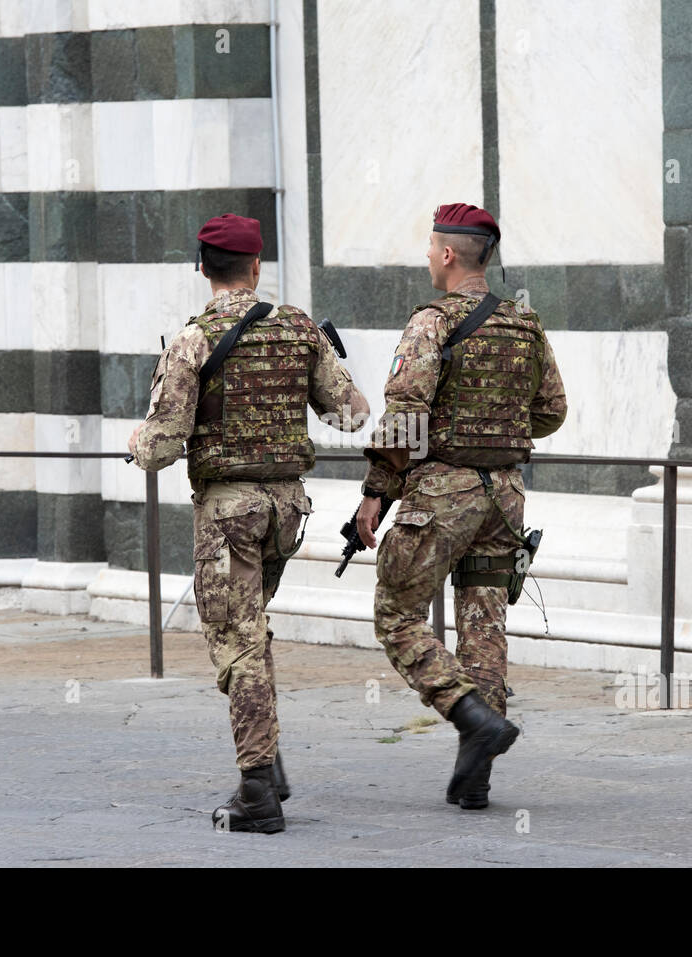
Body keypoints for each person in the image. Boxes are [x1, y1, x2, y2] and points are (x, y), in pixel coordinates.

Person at [129, 213, 369, 833]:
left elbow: (158, 450)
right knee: (250, 634)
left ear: (202, 267)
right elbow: (351, 416)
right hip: (286, 511)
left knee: (236, 640)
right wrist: (328, 356)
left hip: (228, 513)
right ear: (257, 266)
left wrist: (138, 439)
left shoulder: (192, 341)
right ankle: (269, 758)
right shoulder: (299, 330)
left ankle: (258, 792)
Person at [355, 202, 567, 810]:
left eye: (430, 247)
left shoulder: (431, 323)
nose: (427, 256)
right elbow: (552, 410)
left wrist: (376, 495)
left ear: (449, 254)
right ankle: (477, 775)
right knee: (484, 626)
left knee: (396, 617)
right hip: (504, 496)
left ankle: (470, 717)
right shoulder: (525, 323)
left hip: (441, 492)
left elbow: (405, 418)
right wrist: (495, 427)